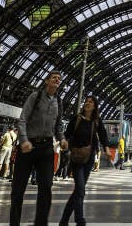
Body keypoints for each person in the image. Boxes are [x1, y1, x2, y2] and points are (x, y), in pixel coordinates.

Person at [9, 70, 66, 226]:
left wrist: (61, 139)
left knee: (46, 187)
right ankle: (14, 223)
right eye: (54, 77)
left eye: (59, 79)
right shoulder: (36, 97)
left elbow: (58, 125)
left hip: (46, 147)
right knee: (18, 189)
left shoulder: (59, 102)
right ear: (46, 81)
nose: (57, 80)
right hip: (28, 147)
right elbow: (22, 120)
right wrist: (24, 140)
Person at [59, 96, 110, 226]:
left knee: (78, 191)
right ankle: (80, 220)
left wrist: (107, 149)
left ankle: (64, 221)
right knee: (80, 189)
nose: (88, 103)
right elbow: (67, 133)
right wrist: (64, 141)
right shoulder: (76, 118)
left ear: (94, 106)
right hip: (76, 158)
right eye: (86, 101)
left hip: (89, 159)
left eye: (91, 102)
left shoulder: (96, 121)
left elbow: (103, 135)